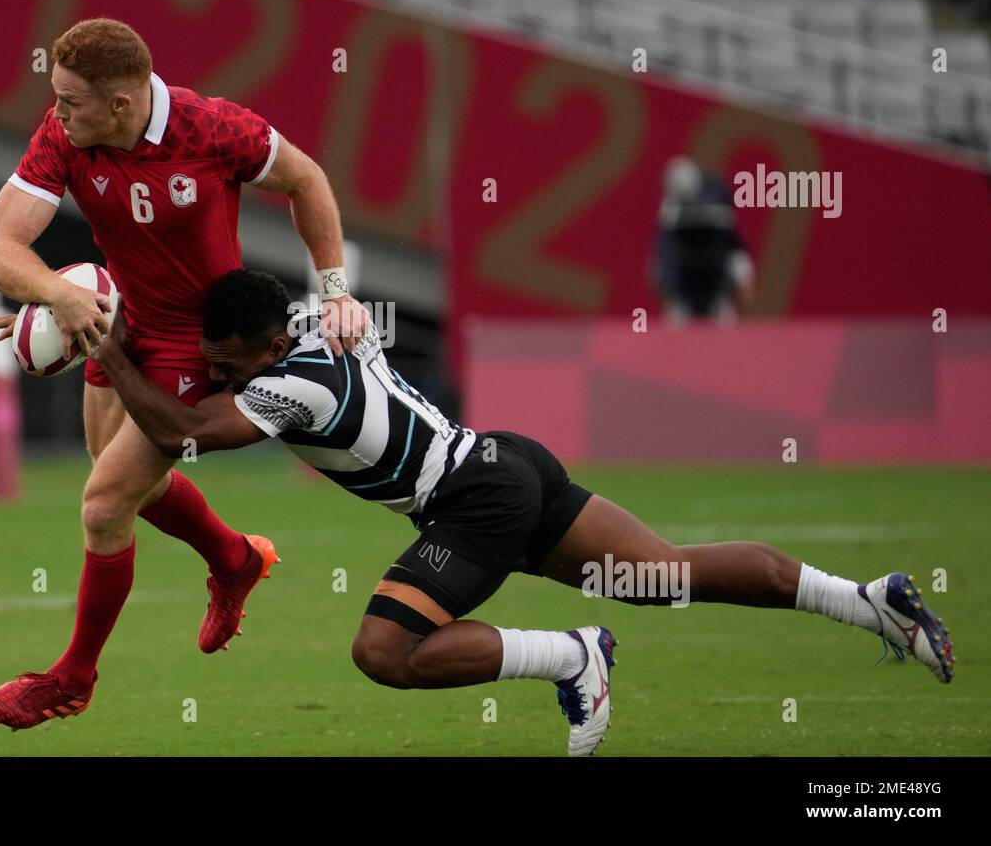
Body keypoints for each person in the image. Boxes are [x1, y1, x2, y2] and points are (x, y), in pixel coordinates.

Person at [89, 268, 955, 756]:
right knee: (667, 576)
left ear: (273, 348)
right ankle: (866, 599)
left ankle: (571, 657)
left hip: (470, 500)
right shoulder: (319, 317)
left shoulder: (291, 387)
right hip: (509, 461)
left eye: (233, 363)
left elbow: (184, 428)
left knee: (383, 652)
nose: (226, 375)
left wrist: (107, 354)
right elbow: (222, 352)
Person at [0, 19, 370, 730]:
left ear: (121, 104)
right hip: (124, 322)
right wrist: (61, 295)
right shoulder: (64, 135)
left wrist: (335, 289)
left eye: (71, 101)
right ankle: (232, 556)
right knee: (127, 482)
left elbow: (306, 177)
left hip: (200, 344)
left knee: (103, 506)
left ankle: (73, 677)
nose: (57, 114)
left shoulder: (211, 130)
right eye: (56, 99)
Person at [651, 156, 755, 324]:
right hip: (684, 291)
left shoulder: (718, 215)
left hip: (716, 289)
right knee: (676, 338)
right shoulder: (670, 218)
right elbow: (663, 256)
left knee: (724, 339)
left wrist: (744, 280)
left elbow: (735, 249)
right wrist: (664, 281)